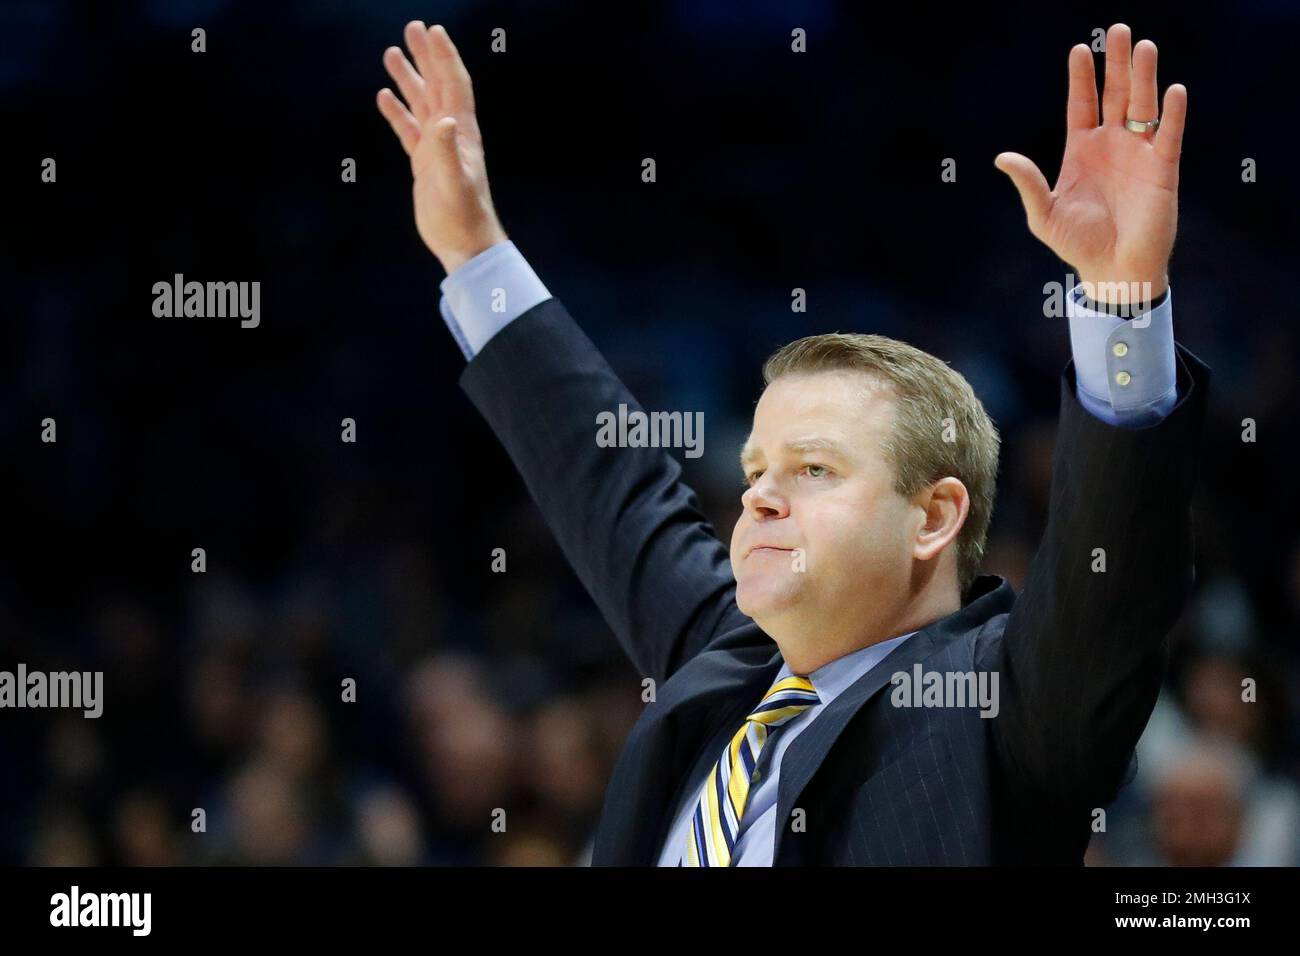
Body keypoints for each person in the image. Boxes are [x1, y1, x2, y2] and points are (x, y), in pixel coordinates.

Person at [376, 21, 1210, 865]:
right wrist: (473, 250)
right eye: (755, 470)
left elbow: (1114, 580)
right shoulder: (727, 661)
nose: (760, 497)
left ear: (932, 518)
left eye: (814, 469)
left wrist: (1121, 301)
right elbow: (606, 478)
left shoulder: (1005, 705)